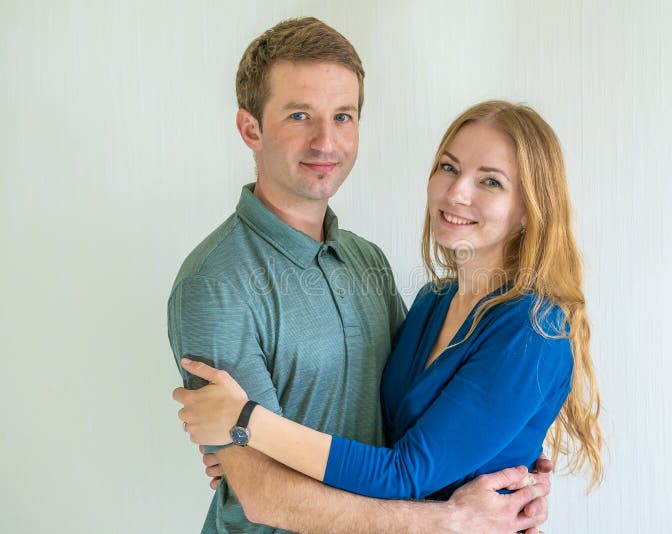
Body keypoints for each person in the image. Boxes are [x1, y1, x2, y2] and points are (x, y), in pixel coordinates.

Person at [167, 17, 552, 534]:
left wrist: (508, 455)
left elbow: (418, 413)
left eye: (343, 116)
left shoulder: (366, 261)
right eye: (300, 115)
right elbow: (266, 497)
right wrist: (448, 521)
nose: (327, 141)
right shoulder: (216, 284)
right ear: (250, 128)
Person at [175, 100, 604, 504]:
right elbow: (379, 435)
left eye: (490, 181)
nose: (456, 193)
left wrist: (248, 424)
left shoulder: (531, 330)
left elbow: (404, 473)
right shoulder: (433, 301)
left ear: (530, 208)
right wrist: (245, 461)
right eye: (448, 168)